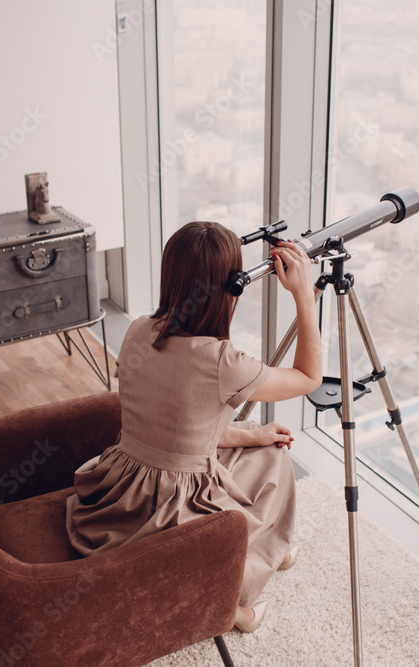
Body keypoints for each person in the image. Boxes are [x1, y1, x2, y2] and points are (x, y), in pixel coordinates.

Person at [66, 220, 322, 633]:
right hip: (174, 506)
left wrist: (249, 435)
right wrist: (304, 297)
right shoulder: (223, 361)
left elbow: (180, 424)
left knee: (259, 438)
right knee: (276, 460)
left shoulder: (136, 330)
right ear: (231, 287)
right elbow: (309, 377)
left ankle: (268, 549)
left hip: (118, 489)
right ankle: (240, 591)